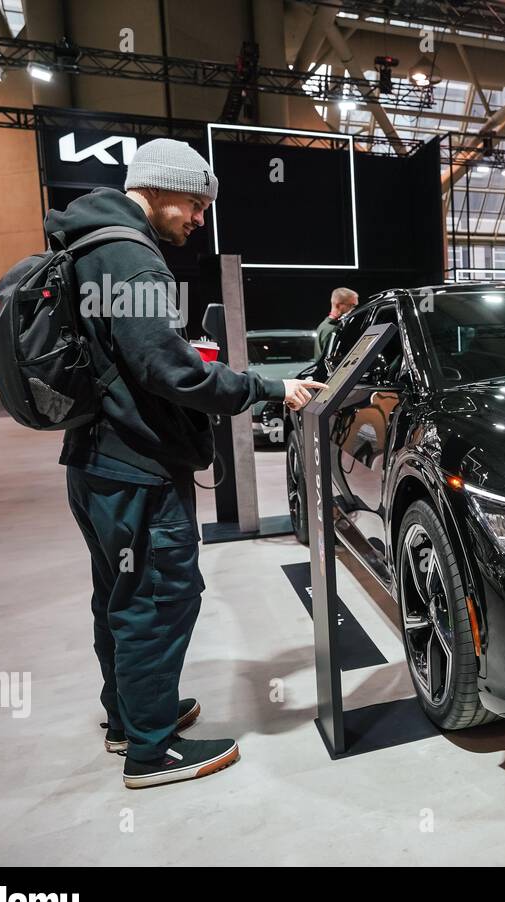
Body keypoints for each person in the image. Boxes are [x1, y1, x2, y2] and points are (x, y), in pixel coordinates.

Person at [46, 138, 326, 789]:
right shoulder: (132, 256)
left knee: (120, 592)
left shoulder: (89, 245)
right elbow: (165, 369)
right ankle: (152, 749)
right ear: (165, 188)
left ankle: (128, 718)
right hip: (137, 466)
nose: (198, 220)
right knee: (157, 597)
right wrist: (261, 387)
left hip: (96, 463)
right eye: (196, 205)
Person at [315, 287, 359, 360]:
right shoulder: (332, 330)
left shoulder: (324, 325)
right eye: (352, 305)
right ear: (338, 305)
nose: (354, 309)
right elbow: (331, 361)